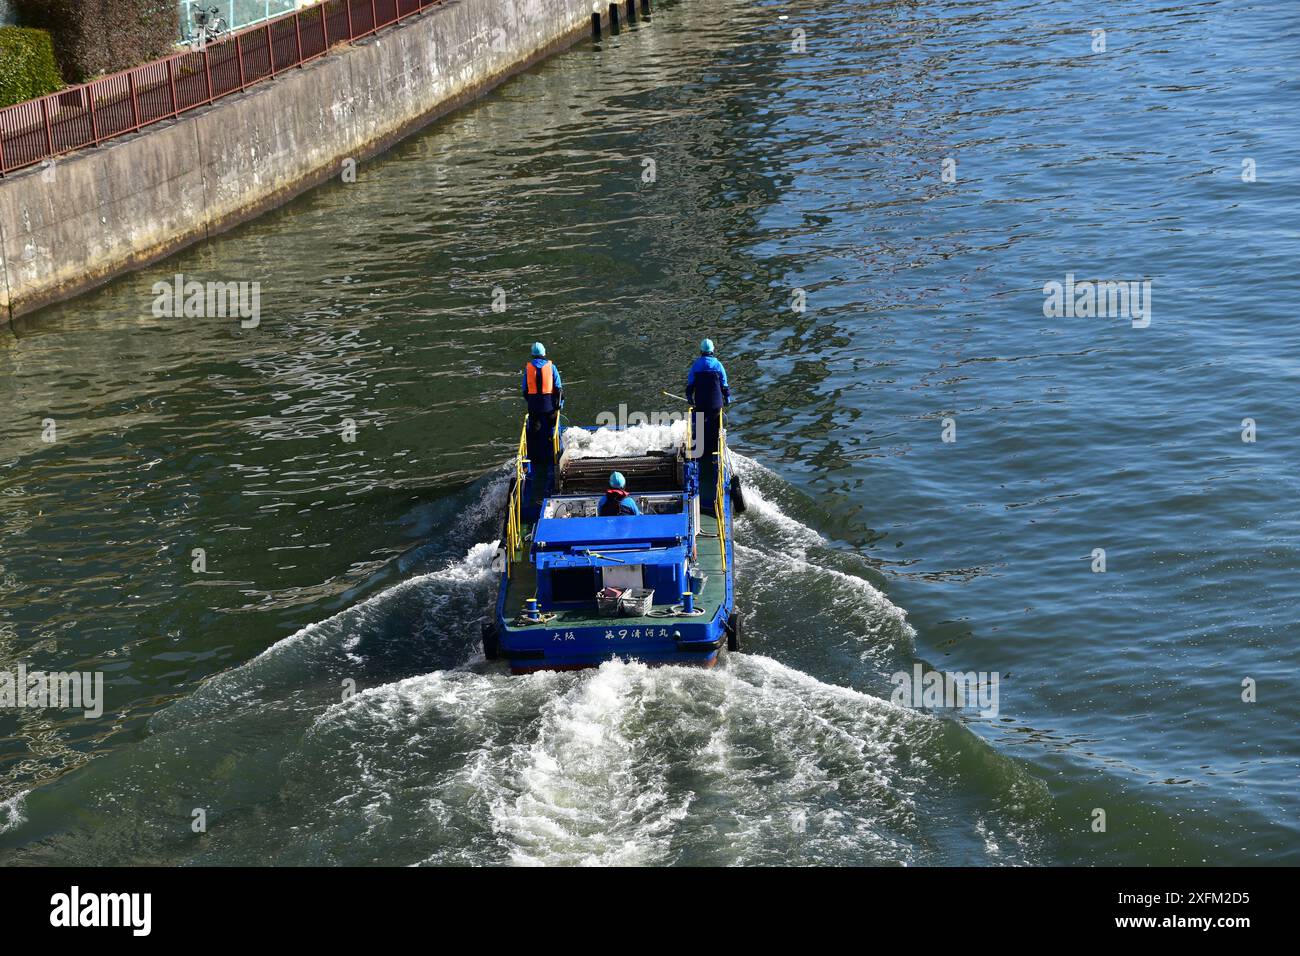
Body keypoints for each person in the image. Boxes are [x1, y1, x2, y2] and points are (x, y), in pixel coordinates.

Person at [685, 338, 730, 464]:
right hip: (716, 404)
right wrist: (727, 398)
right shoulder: (718, 365)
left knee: (700, 426)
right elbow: (724, 385)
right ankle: (715, 452)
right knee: (715, 426)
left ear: (701, 351)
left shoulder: (696, 365)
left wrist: (690, 398)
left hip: (700, 403)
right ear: (712, 351)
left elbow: (690, 385)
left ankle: (699, 453)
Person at [521, 342, 563, 474]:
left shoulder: (528, 369)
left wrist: (533, 402)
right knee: (553, 431)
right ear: (544, 353)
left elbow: (524, 391)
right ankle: (554, 456)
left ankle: (534, 461)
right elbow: (559, 389)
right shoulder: (552, 367)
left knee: (534, 434)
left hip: (534, 408)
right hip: (549, 407)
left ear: (532, 355)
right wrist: (559, 406)